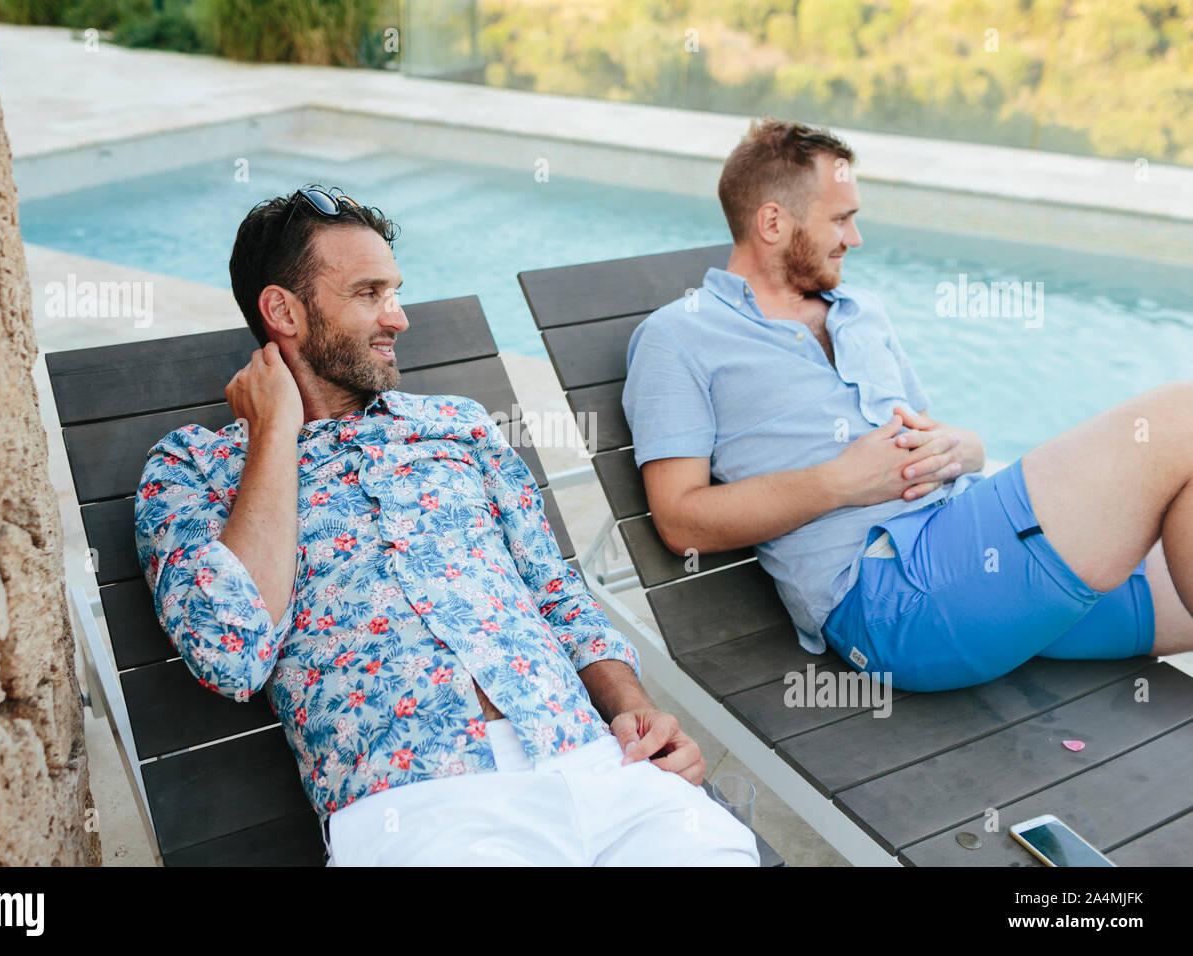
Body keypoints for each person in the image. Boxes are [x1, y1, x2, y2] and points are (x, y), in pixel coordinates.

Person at [133, 185, 761, 866]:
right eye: (369, 293)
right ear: (283, 310)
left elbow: (555, 593)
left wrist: (634, 708)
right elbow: (230, 654)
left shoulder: (457, 426)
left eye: (394, 291)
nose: (397, 317)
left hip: (593, 762)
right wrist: (277, 433)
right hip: (421, 805)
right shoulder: (195, 468)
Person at [623, 117, 1193, 694]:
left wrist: (964, 449)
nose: (854, 238)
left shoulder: (860, 310)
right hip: (890, 594)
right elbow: (679, 521)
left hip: (971, 551)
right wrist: (840, 482)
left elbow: (940, 436)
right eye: (840, 219)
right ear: (773, 221)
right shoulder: (679, 337)